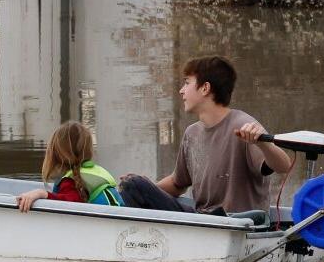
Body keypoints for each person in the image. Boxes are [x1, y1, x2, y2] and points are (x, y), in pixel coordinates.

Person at [119, 56, 294, 214]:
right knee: (133, 186)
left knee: (133, 184)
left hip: (235, 223)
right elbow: (177, 183)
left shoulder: (243, 125)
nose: (181, 91)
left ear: (205, 88)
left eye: (187, 83)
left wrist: (264, 143)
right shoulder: (191, 133)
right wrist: (147, 190)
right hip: (203, 221)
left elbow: (283, 166)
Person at [15, 120, 123, 211]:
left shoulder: (70, 181)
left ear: (56, 154)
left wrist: (42, 194)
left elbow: (70, 202)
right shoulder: (96, 171)